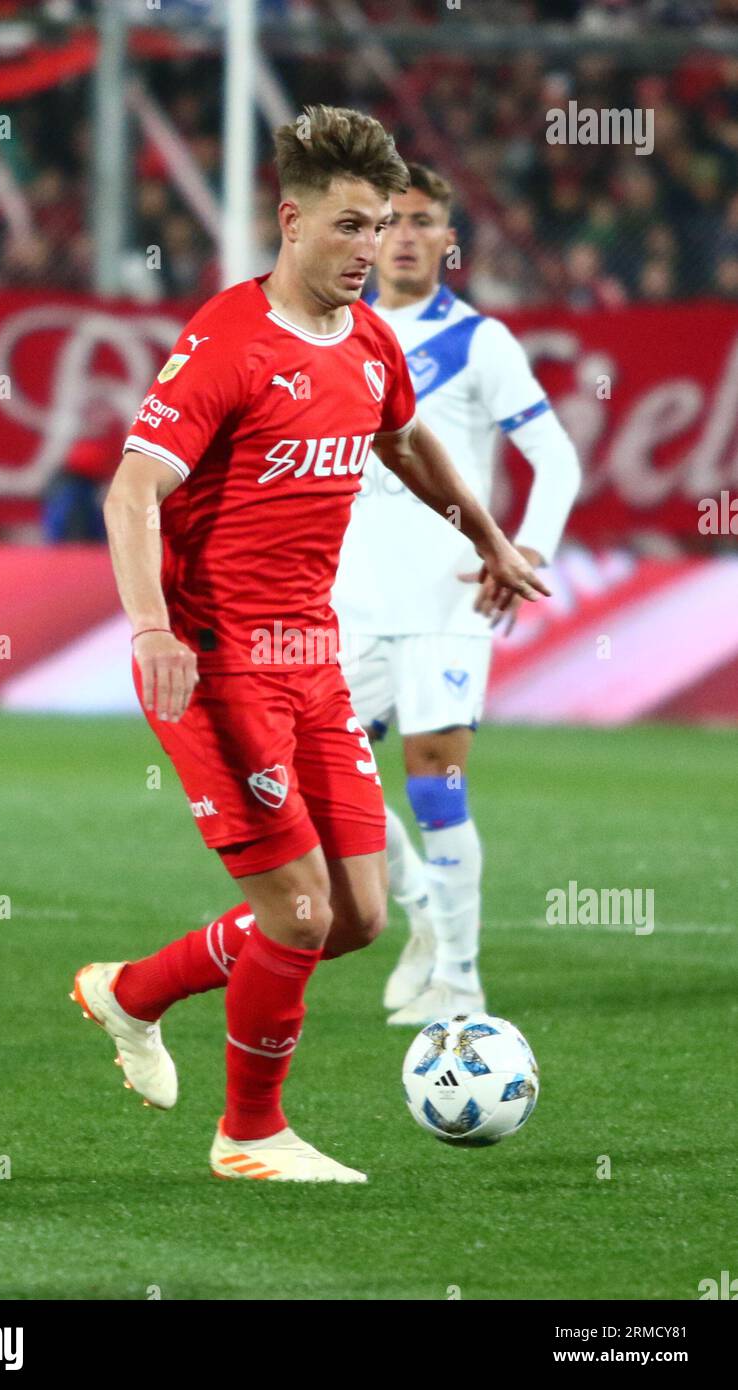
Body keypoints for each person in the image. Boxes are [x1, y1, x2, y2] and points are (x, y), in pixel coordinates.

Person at [71, 107, 547, 1184]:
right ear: (290, 222)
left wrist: (485, 534)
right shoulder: (227, 345)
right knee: (296, 906)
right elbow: (131, 490)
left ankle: (134, 991)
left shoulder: (368, 339)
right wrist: (151, 627)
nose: (368, 250)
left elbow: (404, 436)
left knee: (356, 917)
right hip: (212, 660)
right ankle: (250, 1135)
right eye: (347, 228)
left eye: (380, 227)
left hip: (310, 657)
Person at [331, 164, 582, 1024]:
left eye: (422, 220)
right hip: (345, 599)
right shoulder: (336, 331)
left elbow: (558, 458)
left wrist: (523, 552)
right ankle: (424, 920)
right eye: (388, 219)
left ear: (449, 240)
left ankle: (463, 988)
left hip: (448, 595)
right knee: (329, 784)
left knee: (434, 783)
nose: (402, 234)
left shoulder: (482, 342)